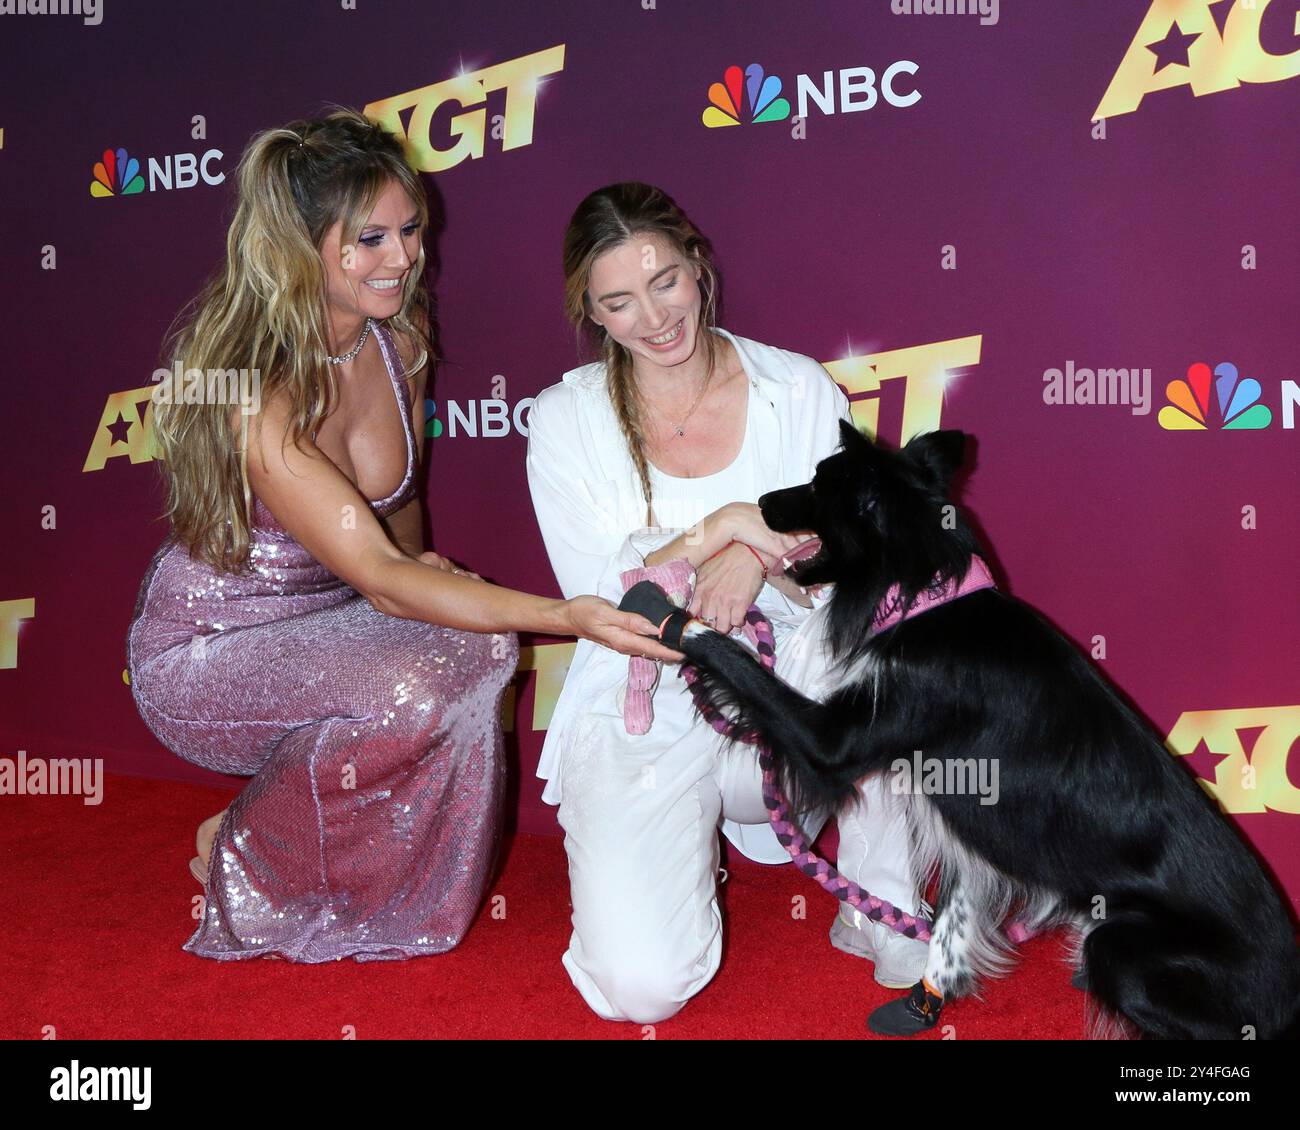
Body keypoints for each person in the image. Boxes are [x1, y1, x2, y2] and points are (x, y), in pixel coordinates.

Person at [126, 110, 675, 964]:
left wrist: (429, 570)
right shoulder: (257, 395)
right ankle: (250, 847)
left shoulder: (400, 343)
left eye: (410, 230)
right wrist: (570, 614)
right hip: (210, 650)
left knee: (482, 652)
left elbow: (397, 521)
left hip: (331, 621)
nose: (403, 256)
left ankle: (378, 895)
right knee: (434, 670)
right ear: (299, 248)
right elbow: (380, 578)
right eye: (370, 239)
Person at [525, 182, 929, 1022]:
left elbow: (846, 548)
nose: (655, 318)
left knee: (892, 625)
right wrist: (717, 530)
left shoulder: (796, 386)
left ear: (699, 265)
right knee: (641, 988)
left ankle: (882, 898)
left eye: (666, 280)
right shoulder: (566, 420)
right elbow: (604, 602)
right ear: (593, 314)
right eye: (619, 302)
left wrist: (753, 551)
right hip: (646, 693)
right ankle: (676, 854)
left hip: (794, 680)